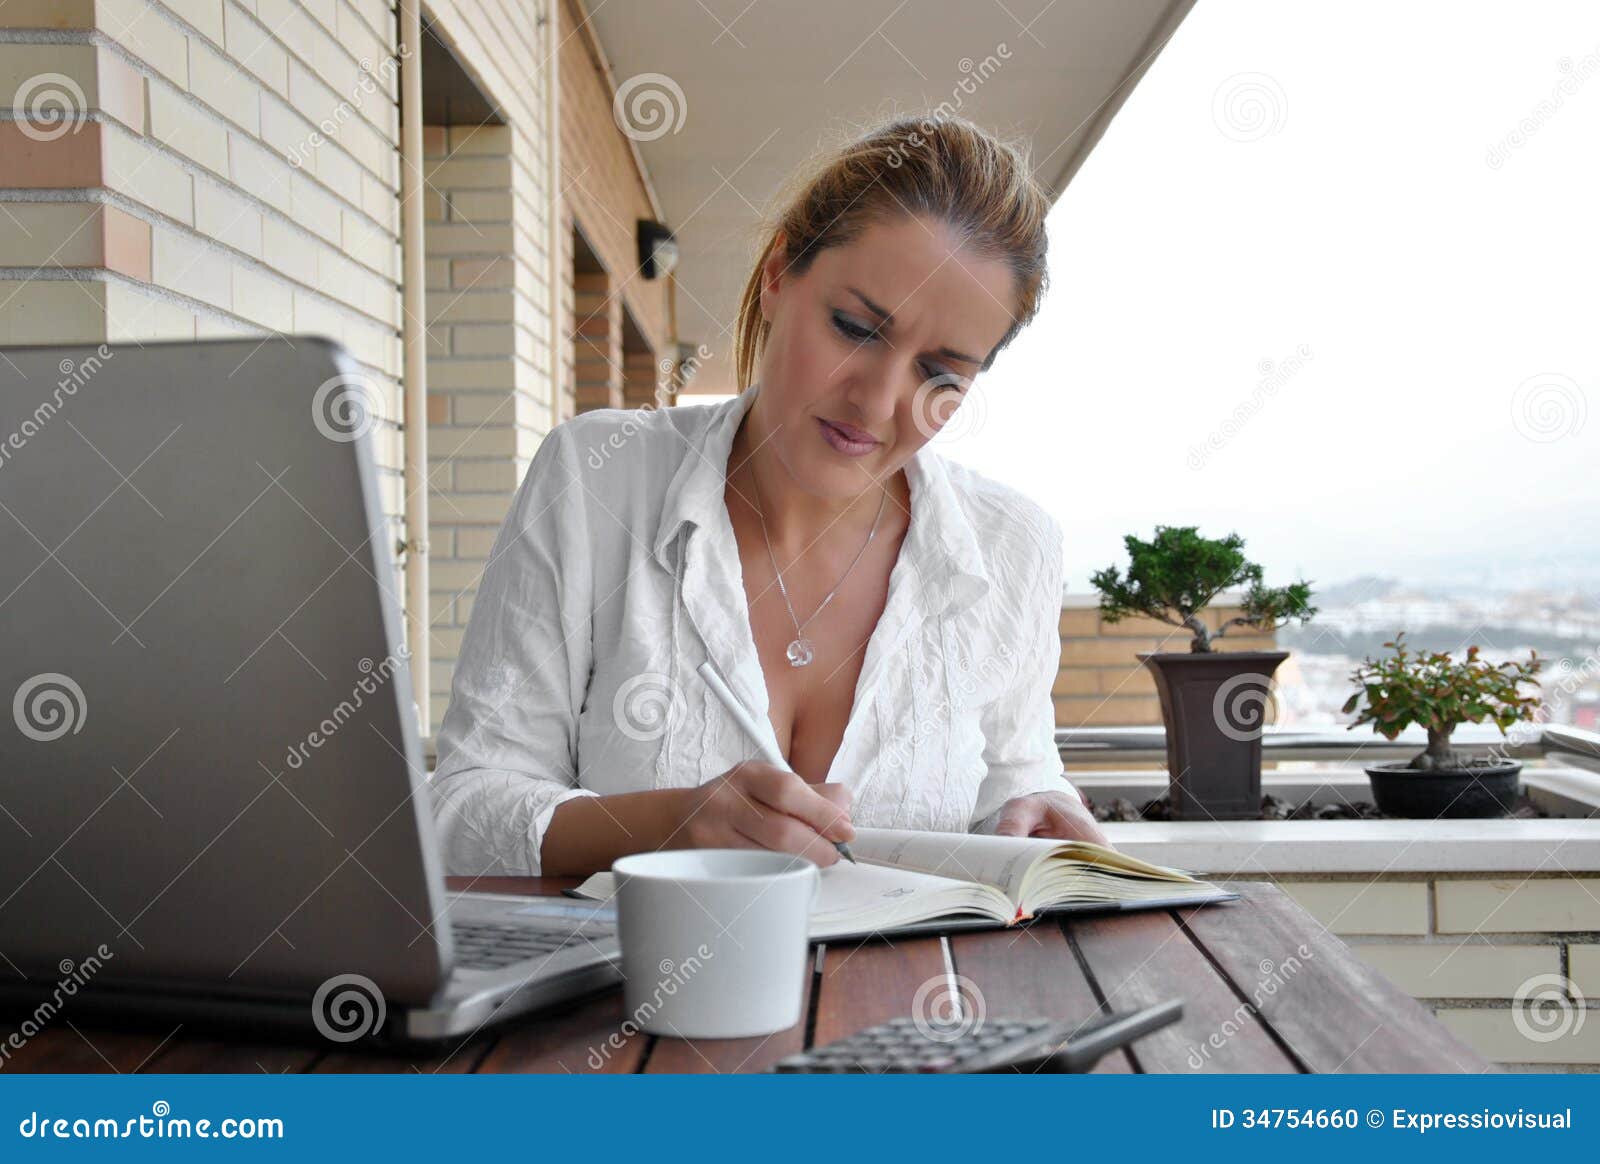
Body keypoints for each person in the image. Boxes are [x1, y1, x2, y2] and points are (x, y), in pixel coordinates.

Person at [431, 113, 1108, 878]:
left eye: (941, 374)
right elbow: (461, 812)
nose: (879, 402)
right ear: (780, 274)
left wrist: (1039, 815)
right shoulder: (597, 479)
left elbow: (1019, 786)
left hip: (919, 998)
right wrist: (662, 826)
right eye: (855, 328)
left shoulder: (1011, 545)